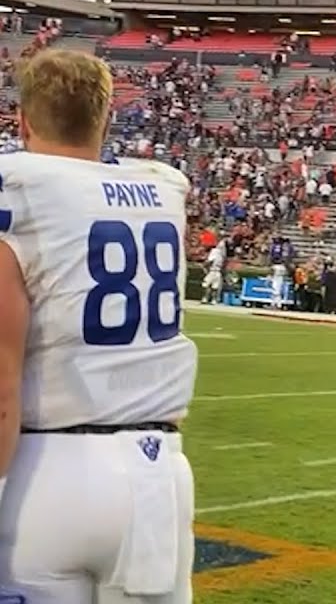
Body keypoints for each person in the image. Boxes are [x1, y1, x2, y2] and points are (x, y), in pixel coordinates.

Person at [0, 49, 196, 603]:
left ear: (23, 120)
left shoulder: (21, 189)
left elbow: (1, 387)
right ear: (105, 119)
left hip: (49, 472)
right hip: (159, 477)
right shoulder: (161, 189)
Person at [202, 238, 227, 304]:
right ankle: (209, 299)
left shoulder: (218, 253)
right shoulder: (218, 253)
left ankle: (209, 299)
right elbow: (210, 261)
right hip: (214, 271)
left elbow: (210, 261)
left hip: (215, 271)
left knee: (212, 286)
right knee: (210, 286)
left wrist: (205, 266)